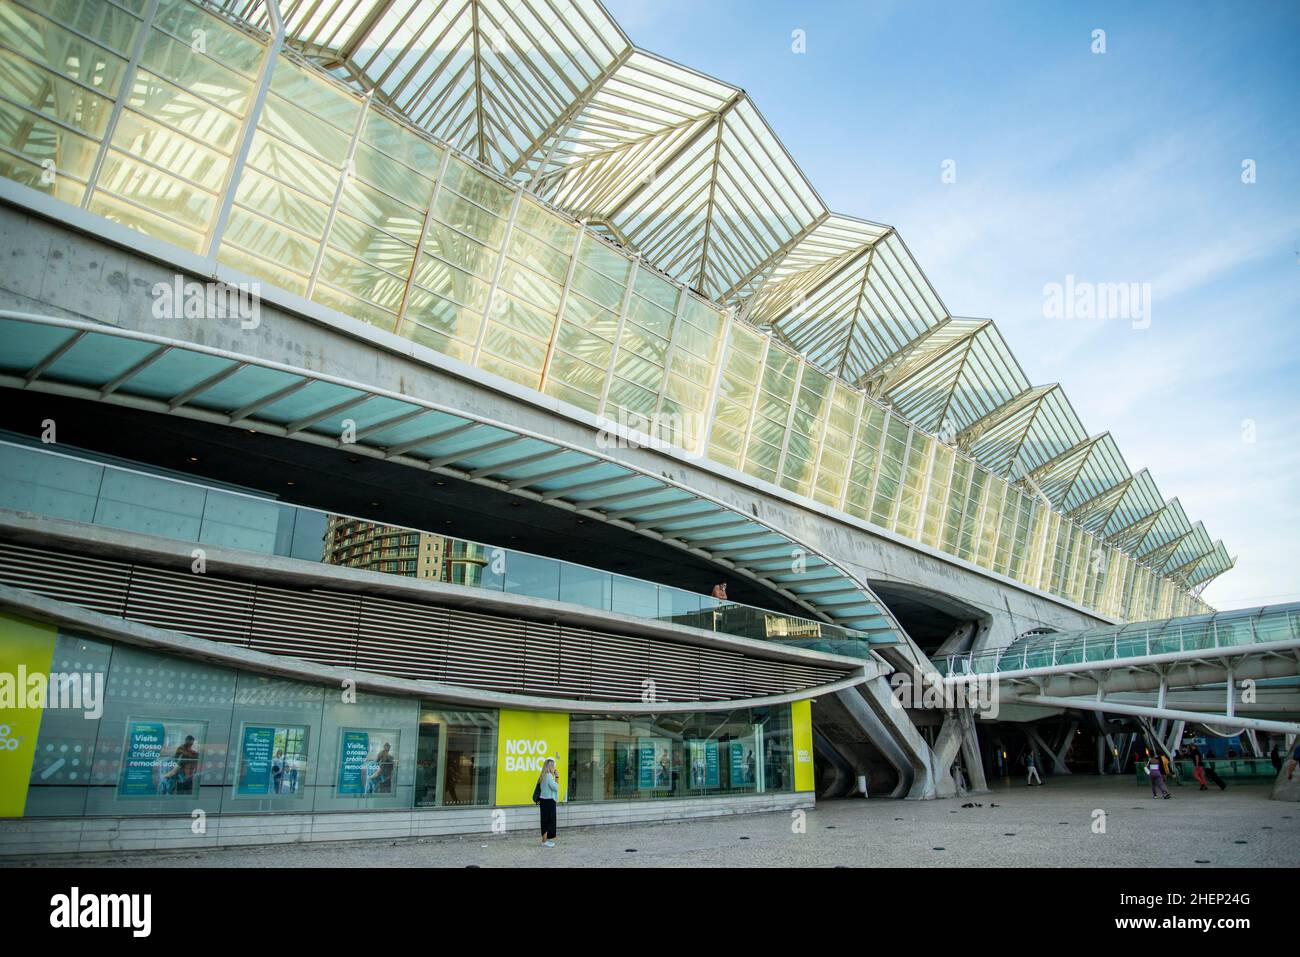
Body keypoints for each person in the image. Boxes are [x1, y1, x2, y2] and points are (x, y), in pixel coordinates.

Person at [537, 757, 559, 848]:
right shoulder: (549, 776)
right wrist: (557, 776)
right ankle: (544, 841)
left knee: (545, 820)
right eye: (554, 766)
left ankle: (545, 840)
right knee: (549, 821)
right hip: (549, 800)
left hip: (543, 800)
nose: (555, 768)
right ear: (551, 766)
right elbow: (555, 787)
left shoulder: (543, 775)